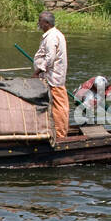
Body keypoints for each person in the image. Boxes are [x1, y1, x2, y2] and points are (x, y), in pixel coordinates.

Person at [33, 11, 69, 143]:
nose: (39, 23)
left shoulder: (52, 37)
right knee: (56, 105)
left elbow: (50, 58)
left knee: (59, 106)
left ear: (47, 23)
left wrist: (37, 72)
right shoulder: (53, 35)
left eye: (40, 21)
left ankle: (60, 135)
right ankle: (57, 131)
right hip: (52, 77)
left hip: (53, 79)